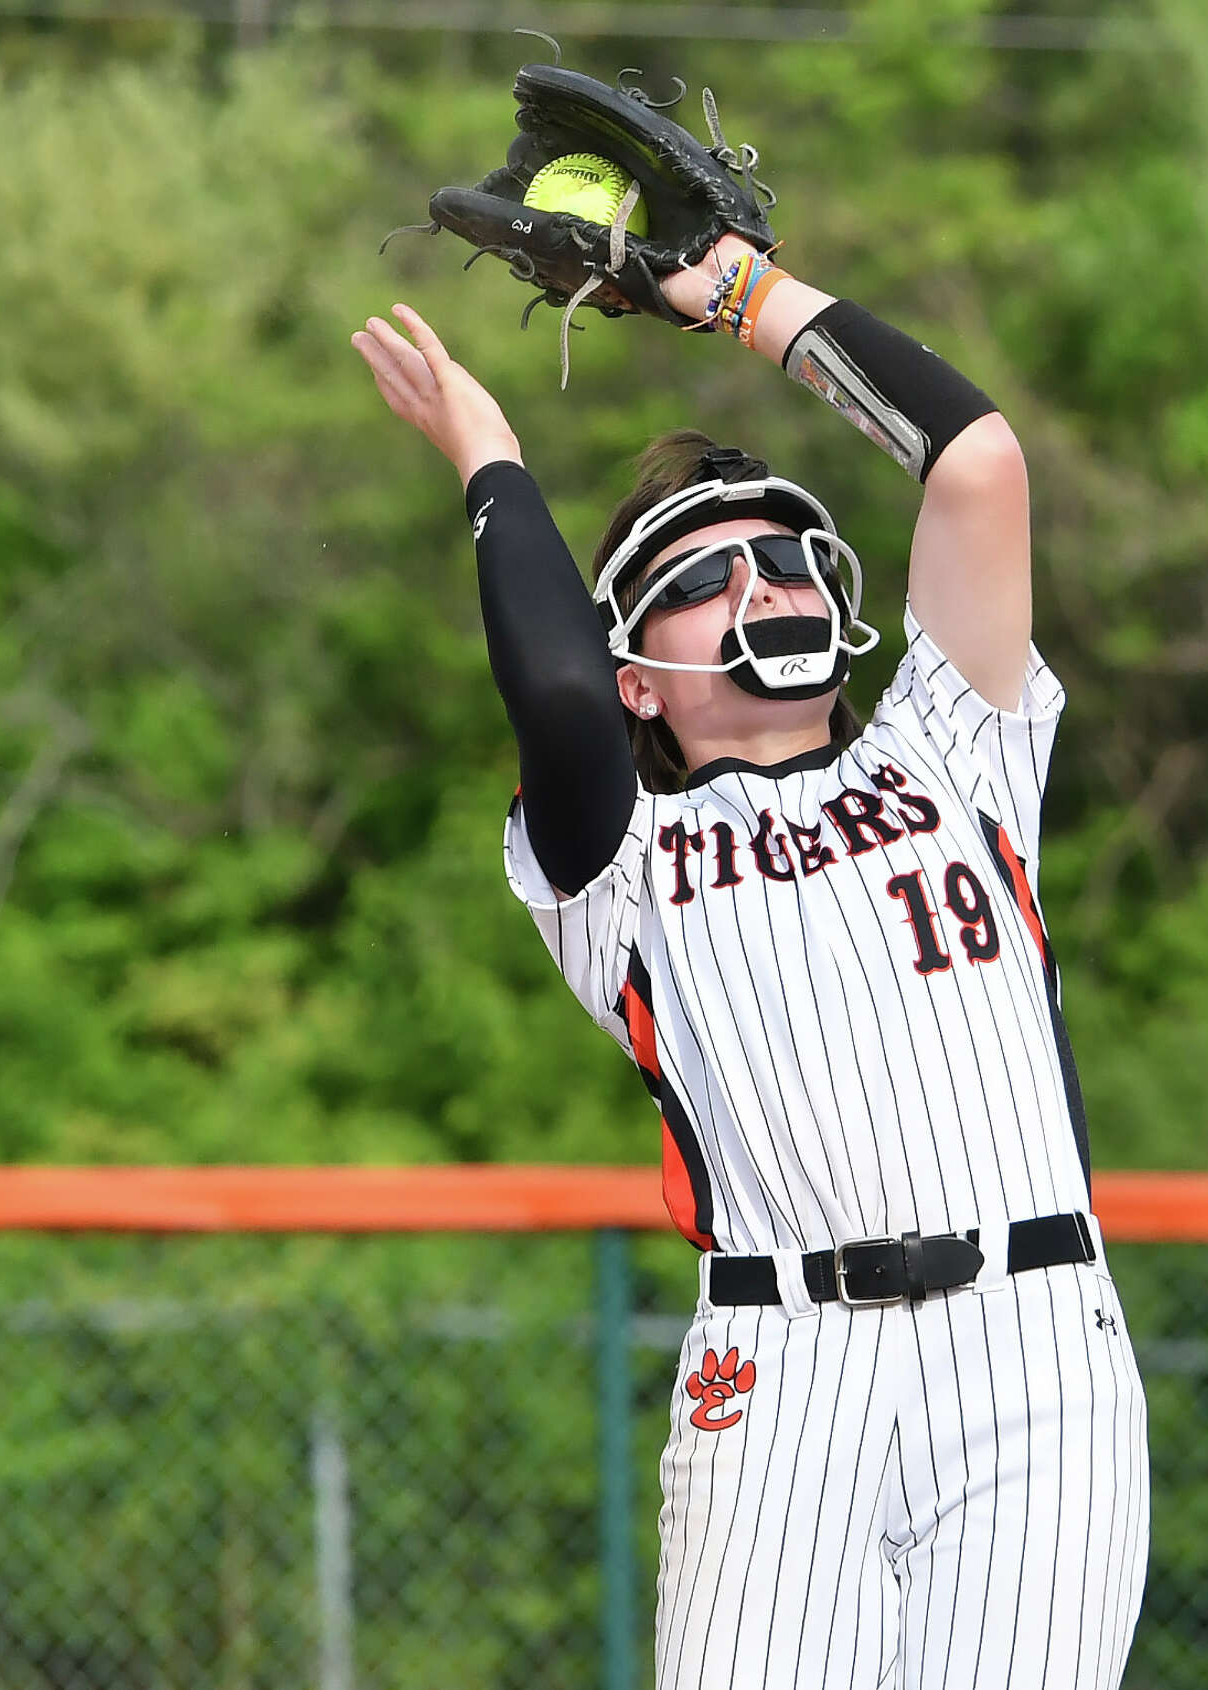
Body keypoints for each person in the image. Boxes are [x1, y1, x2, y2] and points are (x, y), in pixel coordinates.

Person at [351, 233, 1148, 1690]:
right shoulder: (625, 856)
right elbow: (558, 701)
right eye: (706, 577)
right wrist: (489, 453)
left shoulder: (949, 747)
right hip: (779, 1373)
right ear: (638, 670)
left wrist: (737, 295)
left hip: (1031, 1348)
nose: (763, 582)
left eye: (782, 556)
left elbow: (975, 463)